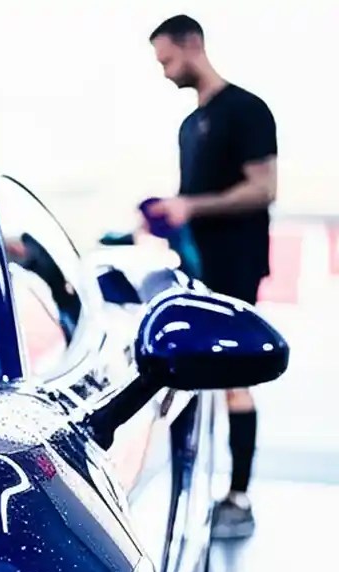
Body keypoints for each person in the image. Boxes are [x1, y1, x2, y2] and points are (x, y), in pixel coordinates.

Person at [146, 14, 278, 539]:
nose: (164, 72)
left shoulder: (246, 110)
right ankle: (199, 487)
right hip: (196, 271)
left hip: (237, 267)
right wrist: (166, 215)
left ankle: (239, 497)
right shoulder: (189, 125)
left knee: (234, 384)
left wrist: (190, 207)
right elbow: (189, 205)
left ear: (192, 45)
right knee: (196, 383)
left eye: (167, 60)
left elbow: (264, 188)